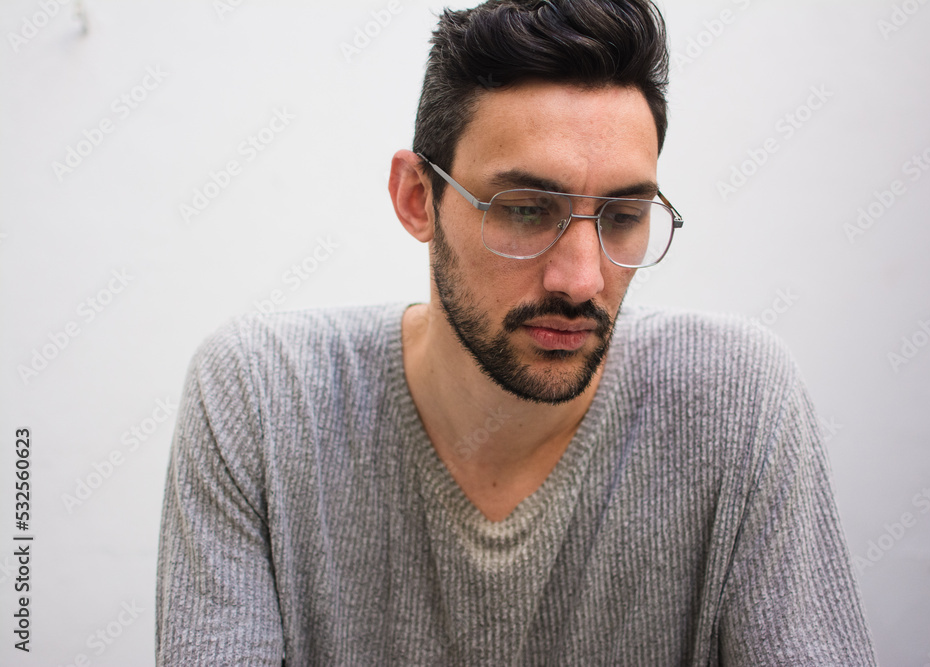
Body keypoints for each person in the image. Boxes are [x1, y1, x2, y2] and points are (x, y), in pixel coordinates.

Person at [156, 0, 878, 664]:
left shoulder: (738, 403)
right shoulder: (262, 398)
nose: (581, 279)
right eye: (528, 210)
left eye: (623, 217)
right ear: (418, 198)